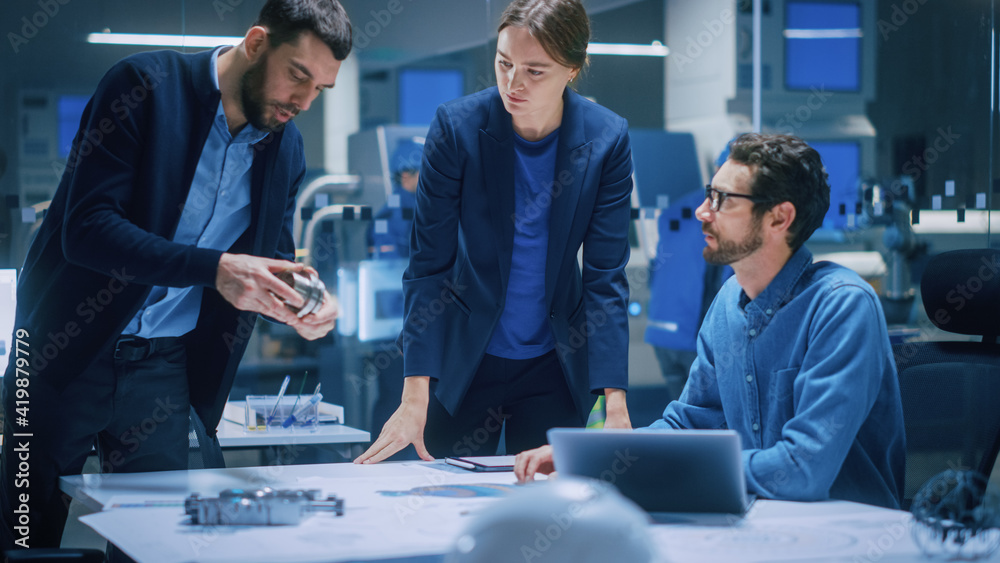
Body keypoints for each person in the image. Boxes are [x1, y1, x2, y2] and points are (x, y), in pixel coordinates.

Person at [0, 0, 350, 550]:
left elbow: (272, 257)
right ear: (257, 43)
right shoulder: (143, 86)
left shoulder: (286, 146)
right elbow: (87, 230)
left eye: (319, 90)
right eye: (297, 76)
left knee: (159, 542)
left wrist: (306, 301)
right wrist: (215, 269)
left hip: (161, 370)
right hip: (61, 356)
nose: (302, 101)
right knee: (24, 529)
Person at [515, 133, 906, 509]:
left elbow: (803, 470)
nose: (702, 212)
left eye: (722, 200)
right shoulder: (727, 304)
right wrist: (595, 459)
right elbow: (689, 423)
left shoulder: (840, 307)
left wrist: (671, 468)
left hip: (845, 537)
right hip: (761, 525)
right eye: (708, 195)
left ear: (779, 218)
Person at [356, 0, 634, 464]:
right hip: (465, 360)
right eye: (504, 63)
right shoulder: (457, 128)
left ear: (572, 69)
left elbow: (606, 276)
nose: (513, 83)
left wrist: (615, 400)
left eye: (534, 71)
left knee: (548, 512)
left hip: (555, 363)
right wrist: (413, 393)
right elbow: (429, 267)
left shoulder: (607, 138)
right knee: (446, 508)